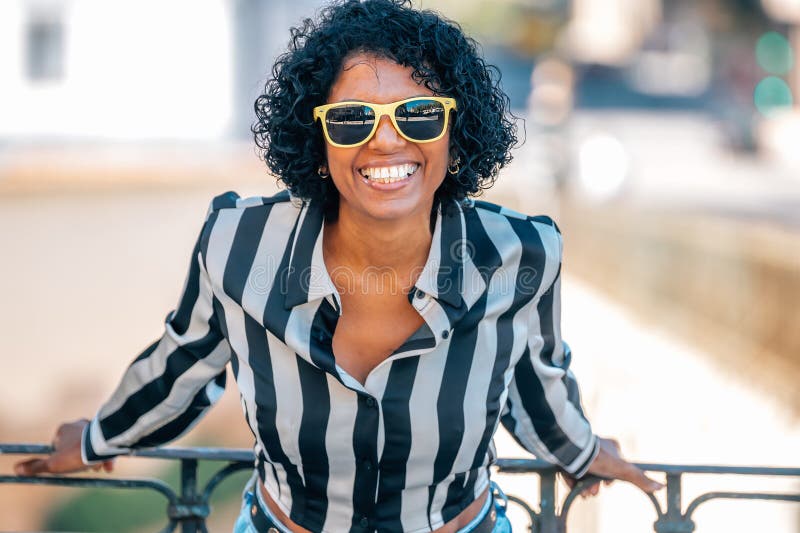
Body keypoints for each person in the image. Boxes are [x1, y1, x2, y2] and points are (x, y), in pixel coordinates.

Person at [15, 1, 664, 531]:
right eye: (354, 118)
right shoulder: (240, 246)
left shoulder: (522, 255)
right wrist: (98, 436)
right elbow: (183, 367)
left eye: (417, 114)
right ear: (318, 143)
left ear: (453, 136)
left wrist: (584, 452)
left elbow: (534, 383)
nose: (387, 139)